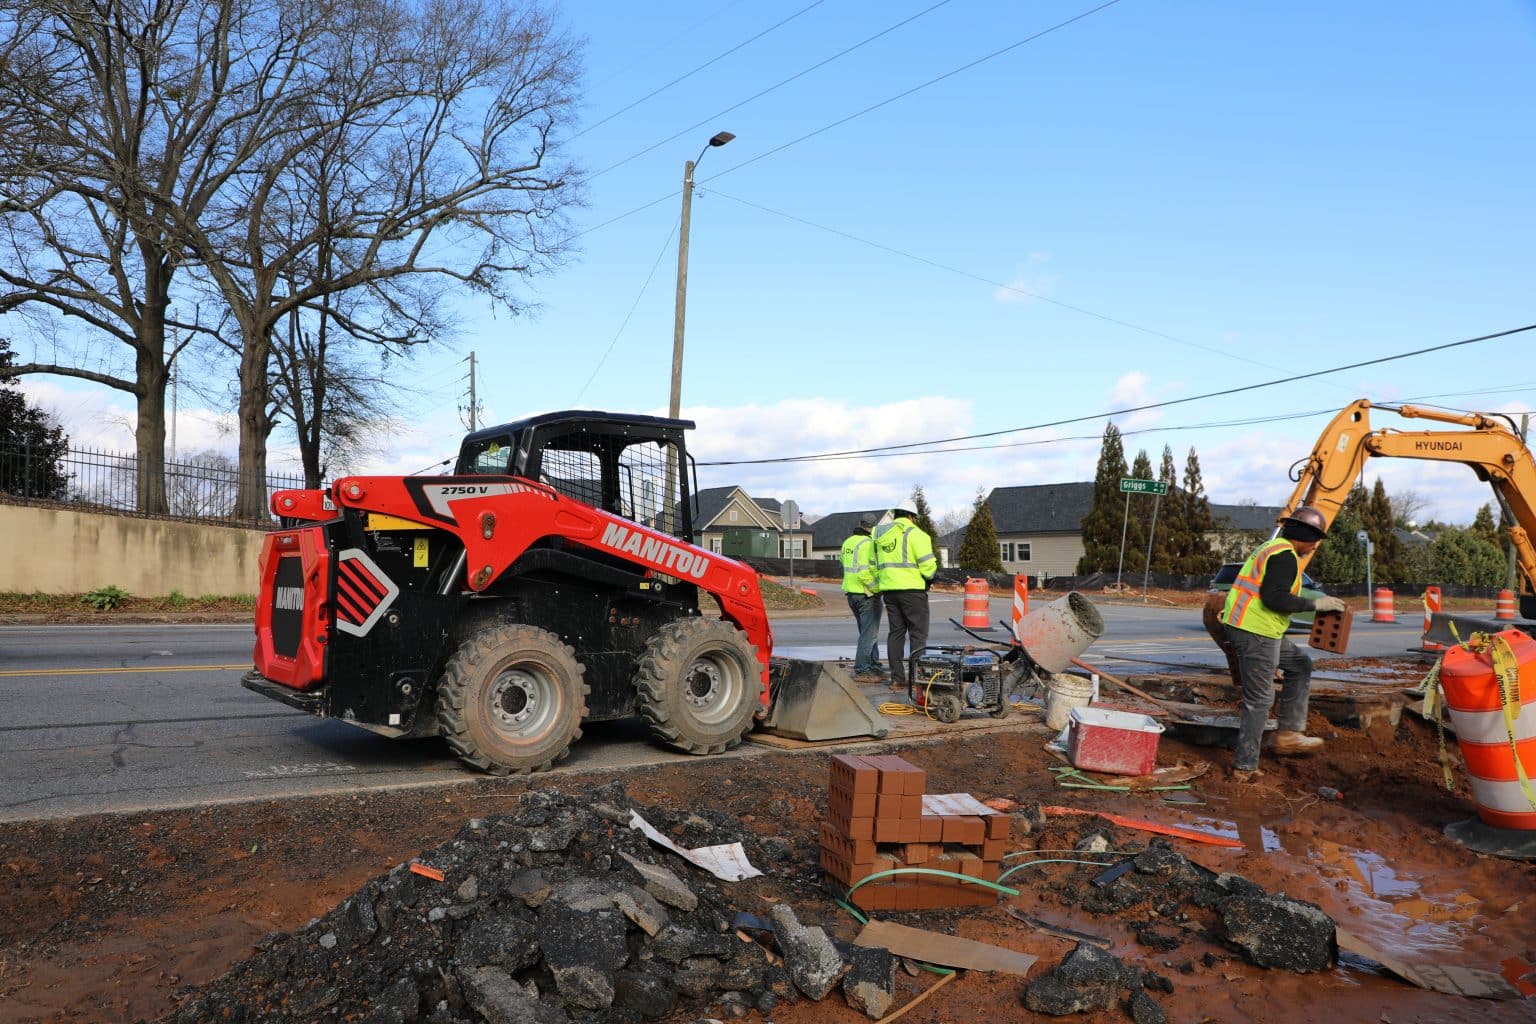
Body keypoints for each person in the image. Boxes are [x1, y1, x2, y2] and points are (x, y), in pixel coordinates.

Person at [1220, 505, 1348, 781]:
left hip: (1255, 627)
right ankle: (1245, 768)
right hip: (1255, 631)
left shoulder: (1272, 547)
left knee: (1300, 664)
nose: (1314, 547)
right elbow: (1274, 598)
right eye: (1315, 541)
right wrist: (1315, 604)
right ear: (1305, 536)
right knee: (1259, 699)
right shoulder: (1285, 556)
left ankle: (1289, 734)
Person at [873, 501, 938, 689]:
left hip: (890, 592)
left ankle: (897, 678)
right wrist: (930, 577)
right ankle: (918, 680)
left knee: (896, 633)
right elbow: (928, 567)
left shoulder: (881, 535)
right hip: (913, 591)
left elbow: (874, 563)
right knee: (918, 635)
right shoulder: (917, 534)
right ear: (911, 516)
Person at [841, 513, 884, 682]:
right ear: (873, 528)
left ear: (860, 524)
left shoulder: (848, 542)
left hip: (852, 594)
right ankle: (862, 669)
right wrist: (878, 589)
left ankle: (874, 665)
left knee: (867, 632)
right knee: (869, 634)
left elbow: (844, 564)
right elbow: (864, 573)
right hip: (866, 594)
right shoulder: (868, 544)